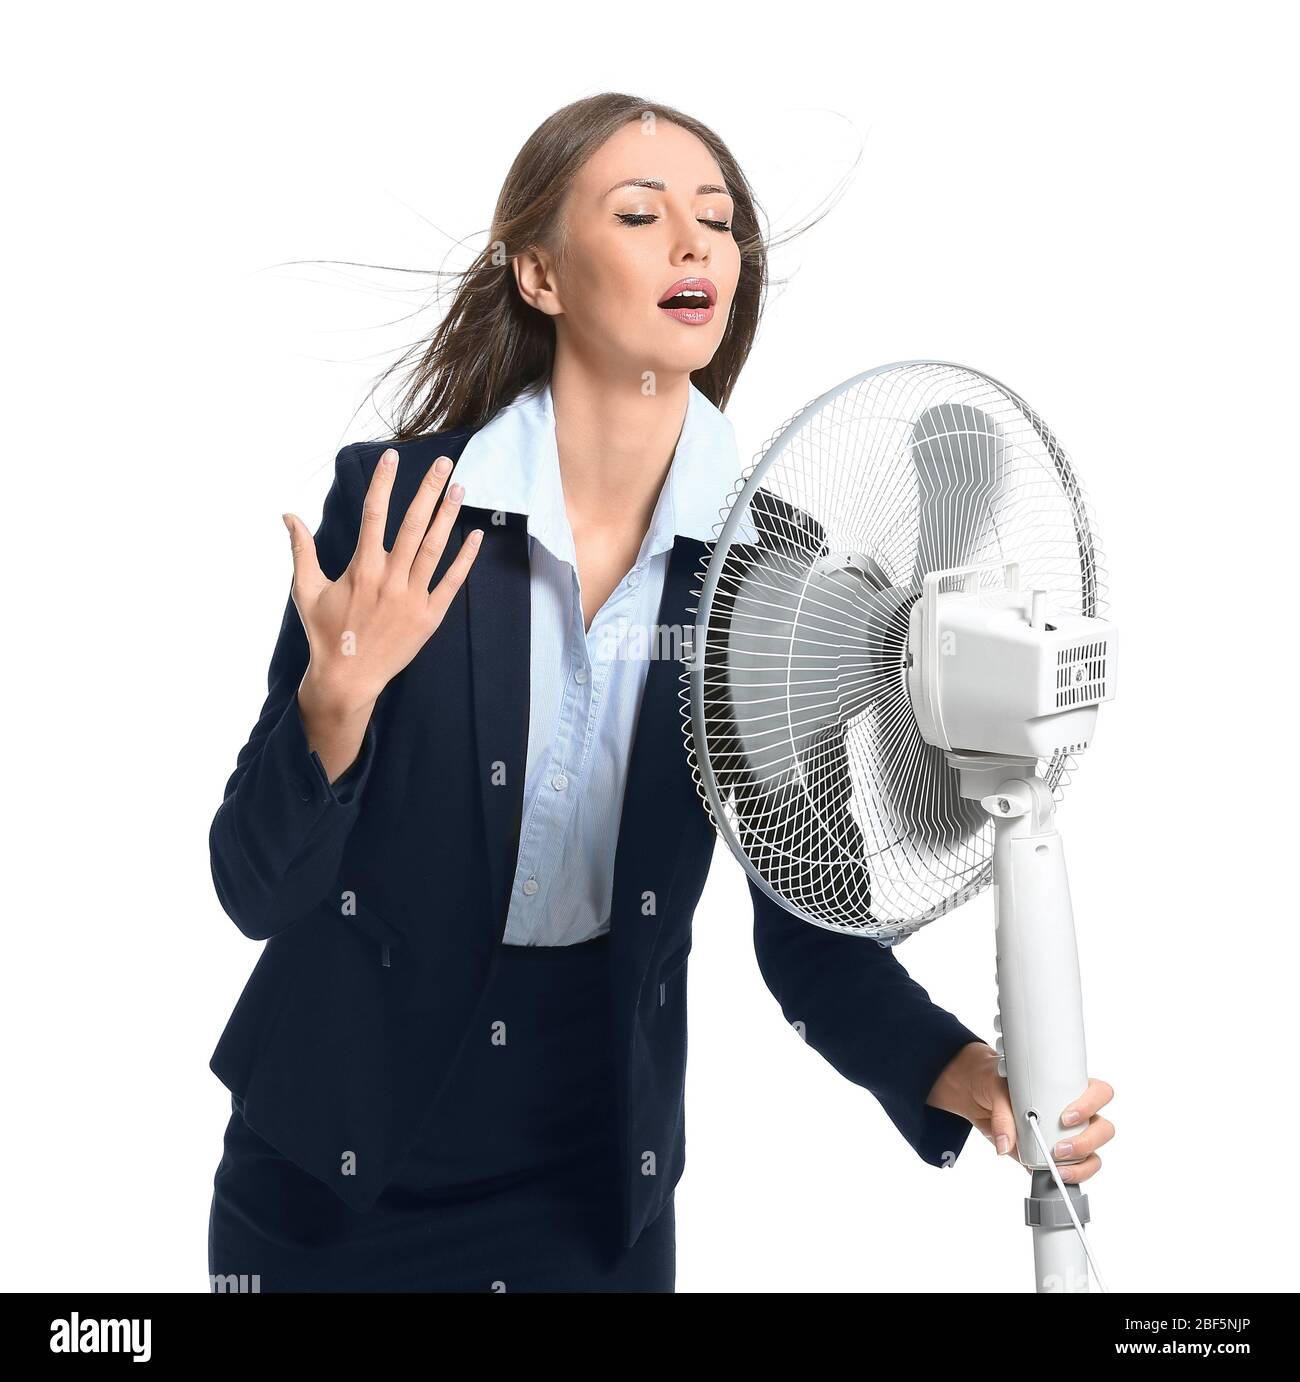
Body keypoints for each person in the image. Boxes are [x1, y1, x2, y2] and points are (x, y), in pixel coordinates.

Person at [206, 91, 1115, 1293]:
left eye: (718, 222)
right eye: (640, 214)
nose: (695, 245)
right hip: (330, 1175)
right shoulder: (401, 509)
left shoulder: (769, 576)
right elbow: (253, 886)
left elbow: (812, 929)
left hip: (588, 1185)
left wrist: (964, 1071)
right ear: (539, 272)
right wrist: (337, 700)